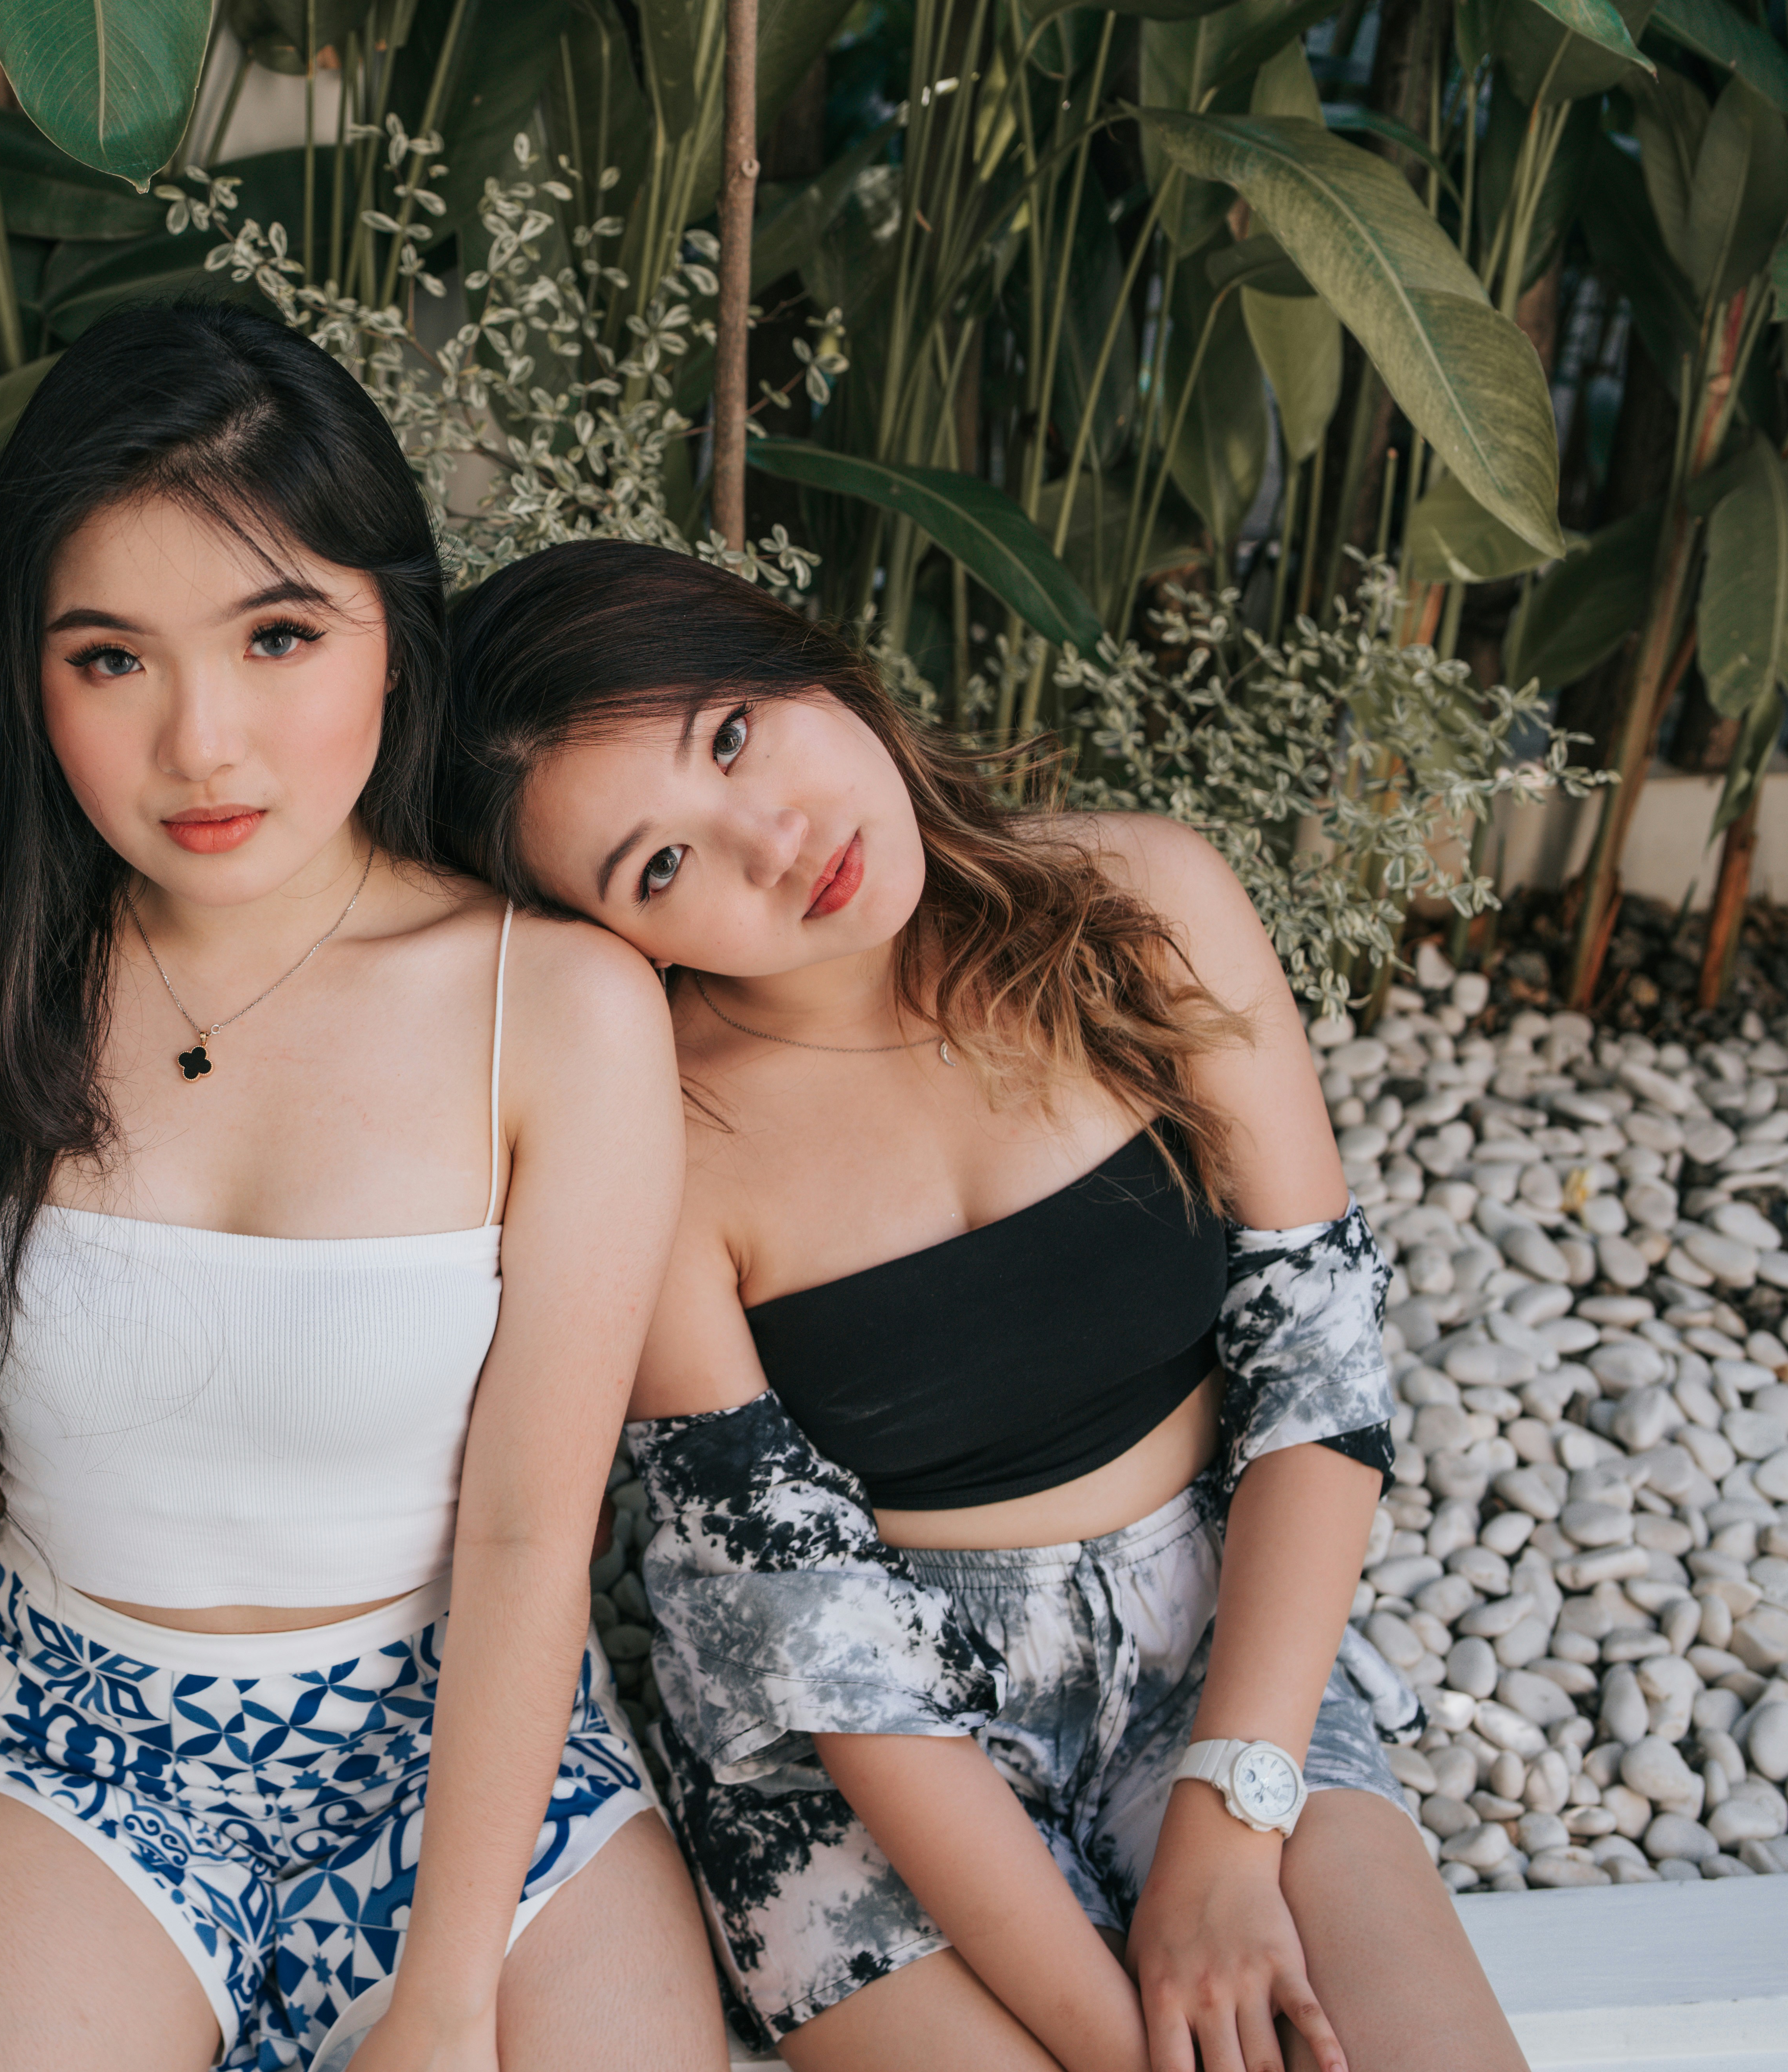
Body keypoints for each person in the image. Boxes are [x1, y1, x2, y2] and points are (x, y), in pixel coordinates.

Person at [438, 538, 1525, 2072]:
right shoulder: (660, 1137)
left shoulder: (1136, 902)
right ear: (613, 942)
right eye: (659, 865)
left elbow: (1316, 1365)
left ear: (802, 658)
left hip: (1208, 1646)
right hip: (859, 1764)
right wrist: (1122, 2034)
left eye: (731, 735)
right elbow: (809, 1633)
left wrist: (1227, 1820)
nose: (770, 839)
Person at [0, 305, 726, 2072]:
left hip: (457, 1745)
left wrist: (451, 2004)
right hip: (73, 1732)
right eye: (109, 659)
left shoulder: (551, 1007)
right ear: (31, 678)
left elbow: (535, 1535)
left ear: (393, 627)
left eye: (276, 635)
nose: (202, 748)